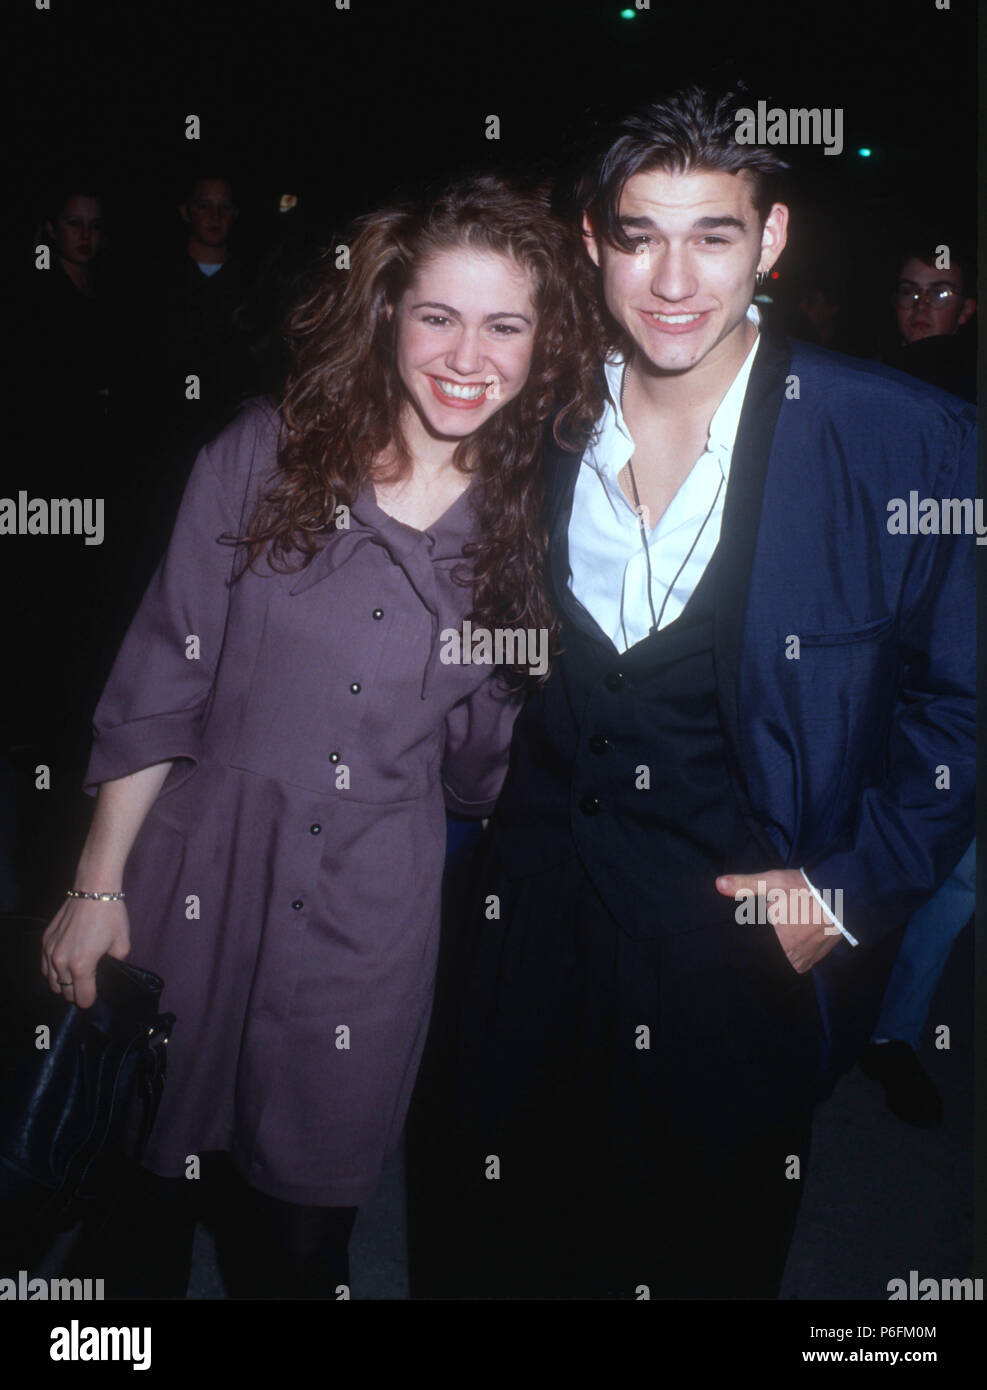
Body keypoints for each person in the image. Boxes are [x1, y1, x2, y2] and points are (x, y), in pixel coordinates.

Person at [410, 87, 976, 1300]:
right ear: (590, 243)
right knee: (492, 1231)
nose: (673, 279)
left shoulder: (903, 440)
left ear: (770, 242)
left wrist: (852, 884)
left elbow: (961, 706)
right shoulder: (535, 415)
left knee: (700, 1247)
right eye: (639, 235)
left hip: (739, 931)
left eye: (713, 234)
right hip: (534, 908)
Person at [40, 173, 603, 1299]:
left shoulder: (534, 534)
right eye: (438, 314)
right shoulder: (263, 454)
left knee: (302, 1245)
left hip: (369, 916)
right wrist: (97, 884)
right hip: (198, 875)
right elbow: (160, 679)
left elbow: (478, 779)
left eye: (506, 324)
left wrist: (530, 676)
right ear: (388, 310)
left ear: (545, 346)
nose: (466, 354)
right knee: (133, 1223)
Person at [883, 237, 977, 402]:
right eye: (908, 291)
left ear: (965, 310)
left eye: (940, 293)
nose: (921, 305)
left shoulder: (971, 397)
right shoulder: (867, 377)